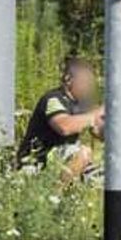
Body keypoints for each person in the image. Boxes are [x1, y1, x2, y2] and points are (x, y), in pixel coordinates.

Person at [17, 56, 105, 184]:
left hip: (63, 160)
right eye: (85, 82)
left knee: (106, 179)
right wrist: (94, 116)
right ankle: (54, 196)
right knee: (84, 152)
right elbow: (64, 126)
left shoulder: (83, 103)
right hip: (36, 161)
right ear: (68, 80)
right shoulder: (53, 99)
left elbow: (98, 131)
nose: (88, 88)